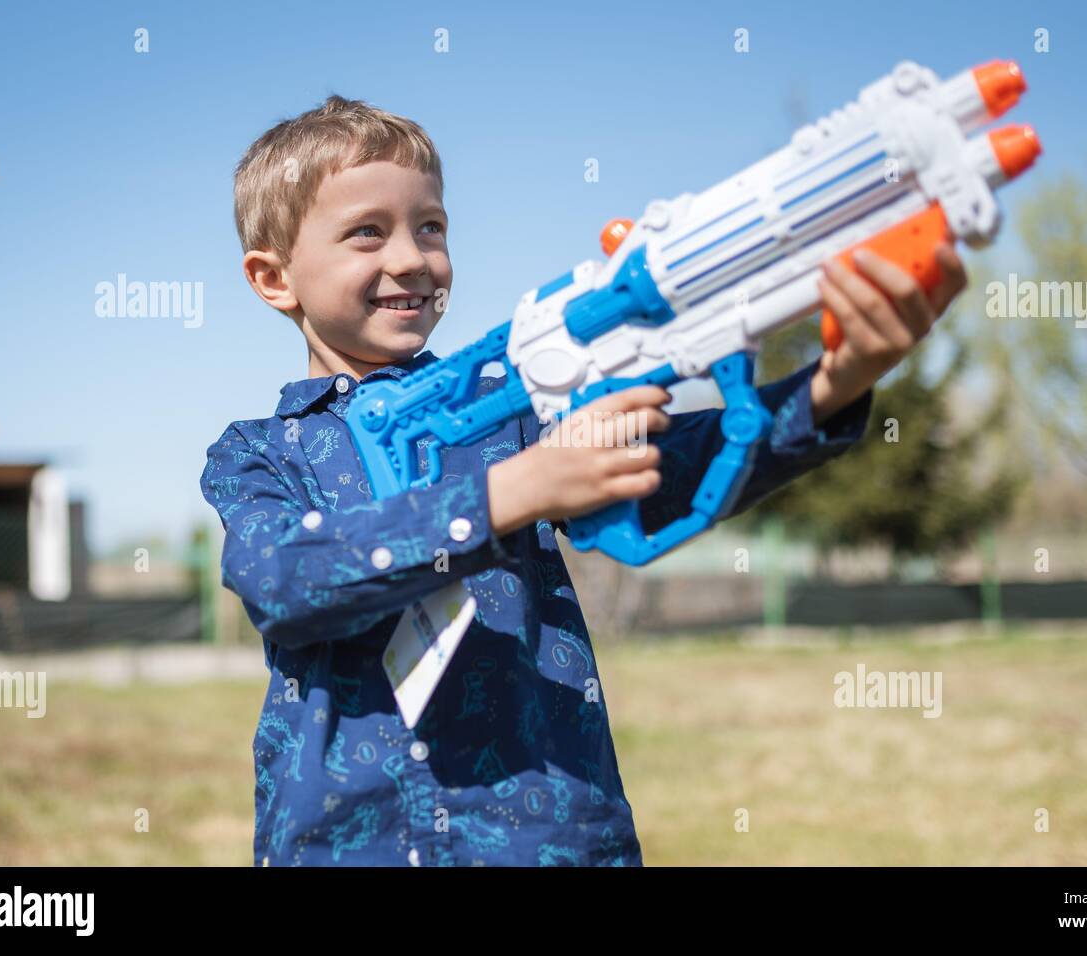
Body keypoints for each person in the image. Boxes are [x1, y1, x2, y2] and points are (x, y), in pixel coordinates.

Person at [199, 94, 968, 866]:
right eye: (367, 232)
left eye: (430, 226)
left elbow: (668, 469)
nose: (411, 257)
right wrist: (512, 493)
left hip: (550, 838)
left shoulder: (512, 410)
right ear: (273, 278)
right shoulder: (259, 454)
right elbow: (283, 579)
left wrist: (832, 385)